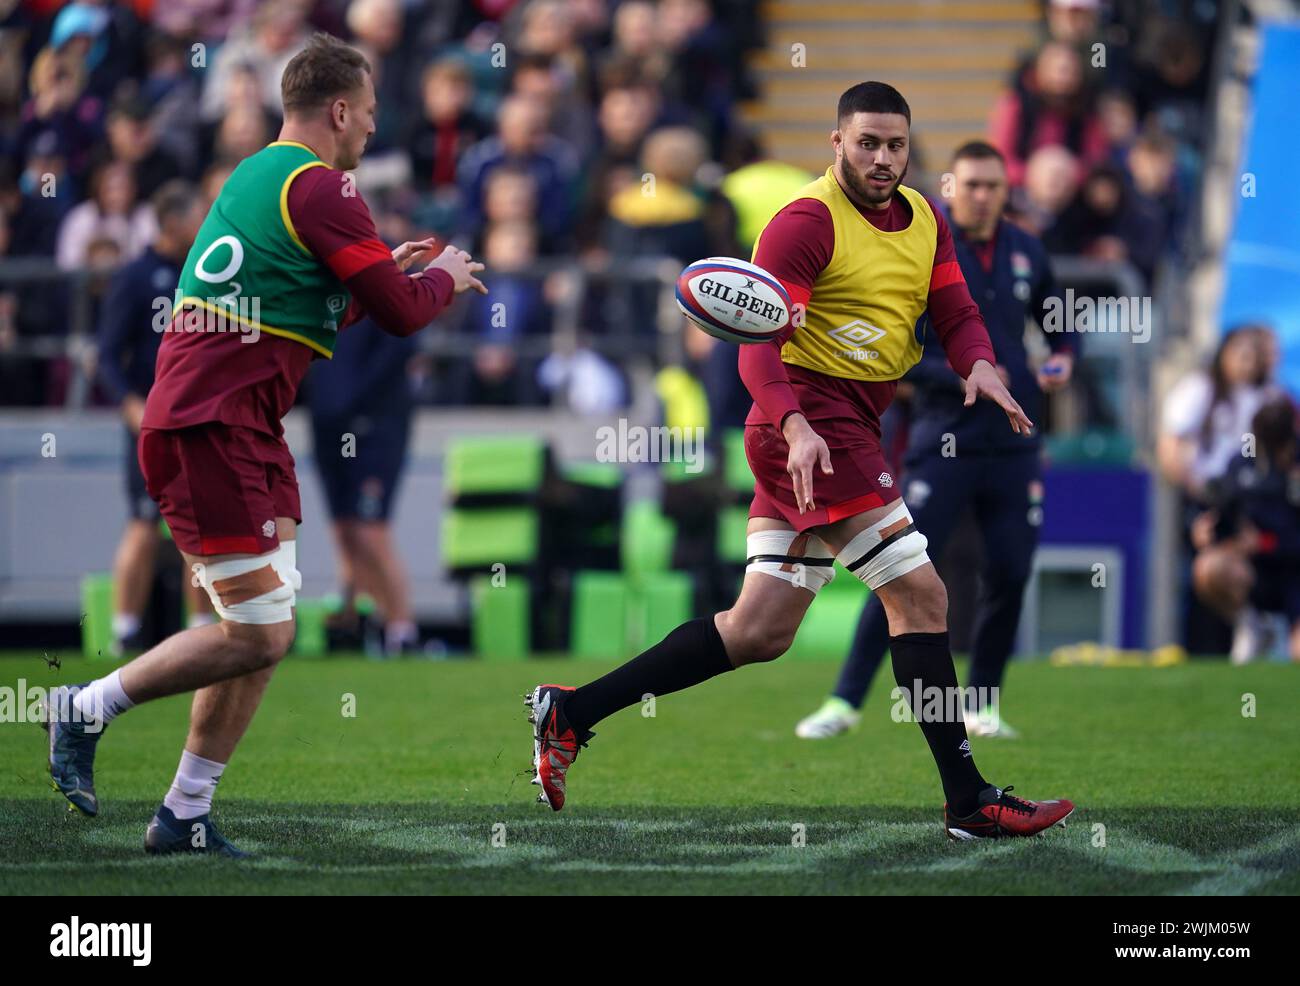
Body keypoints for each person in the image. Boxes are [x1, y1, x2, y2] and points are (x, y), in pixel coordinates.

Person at [525, 82, 1075, 840]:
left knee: (758, 631)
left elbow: (955, 311)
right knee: (921, 598)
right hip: (809, 424)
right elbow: (759, 344)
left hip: (846, 423)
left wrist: (978, 363)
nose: (883, 159)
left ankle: (571, 712)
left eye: (896, 145)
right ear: (837, 141)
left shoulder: (925, 219)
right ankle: (968, 800)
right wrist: (795, 425)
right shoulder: (806, 223)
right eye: (867, 143)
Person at [43, 33, 486, 856]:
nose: (372, 132)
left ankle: (184, 813)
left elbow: (301, 304)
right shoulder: (323, 189)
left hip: (235, 424)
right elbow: (398, 313)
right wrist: (442, 280)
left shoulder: (257, 174)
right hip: (214, 426)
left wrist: (386, 269)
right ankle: (84, 706)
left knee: (265, 622)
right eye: (371, 114)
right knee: (261, 633)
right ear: (341, 109)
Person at [795, 141, 1071, 741]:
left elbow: (1057, 317)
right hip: (943, 436)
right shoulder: (921, 244)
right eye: (971, 184)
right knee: (899, 567)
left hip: (1013, 439)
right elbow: (898, 348)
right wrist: (961, 373)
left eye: (993, 186)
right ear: (949, 188)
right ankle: (844, 700)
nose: (983, 196)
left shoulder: (1025, 249)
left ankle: (985, 702)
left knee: (1011, 569)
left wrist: (1062, 358)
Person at [96, 180, 214, 655]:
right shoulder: (136, 277)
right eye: (197, 217)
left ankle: (201, 628)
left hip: (198, 421)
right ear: (173, 223)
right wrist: (129, 404)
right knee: (144, 524)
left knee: (202, 528)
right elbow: (105, 354)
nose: (204, 225)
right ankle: (124, 629)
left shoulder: (204, 275)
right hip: (150, 425)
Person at [1191, 396, 1300, 663]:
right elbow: (1220, 515)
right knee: (1209, 568)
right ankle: (1251, 623)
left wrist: (1267, 543)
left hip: (1295, 571)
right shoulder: (1242, 466)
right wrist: (1205, 532)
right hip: (1256, 571)